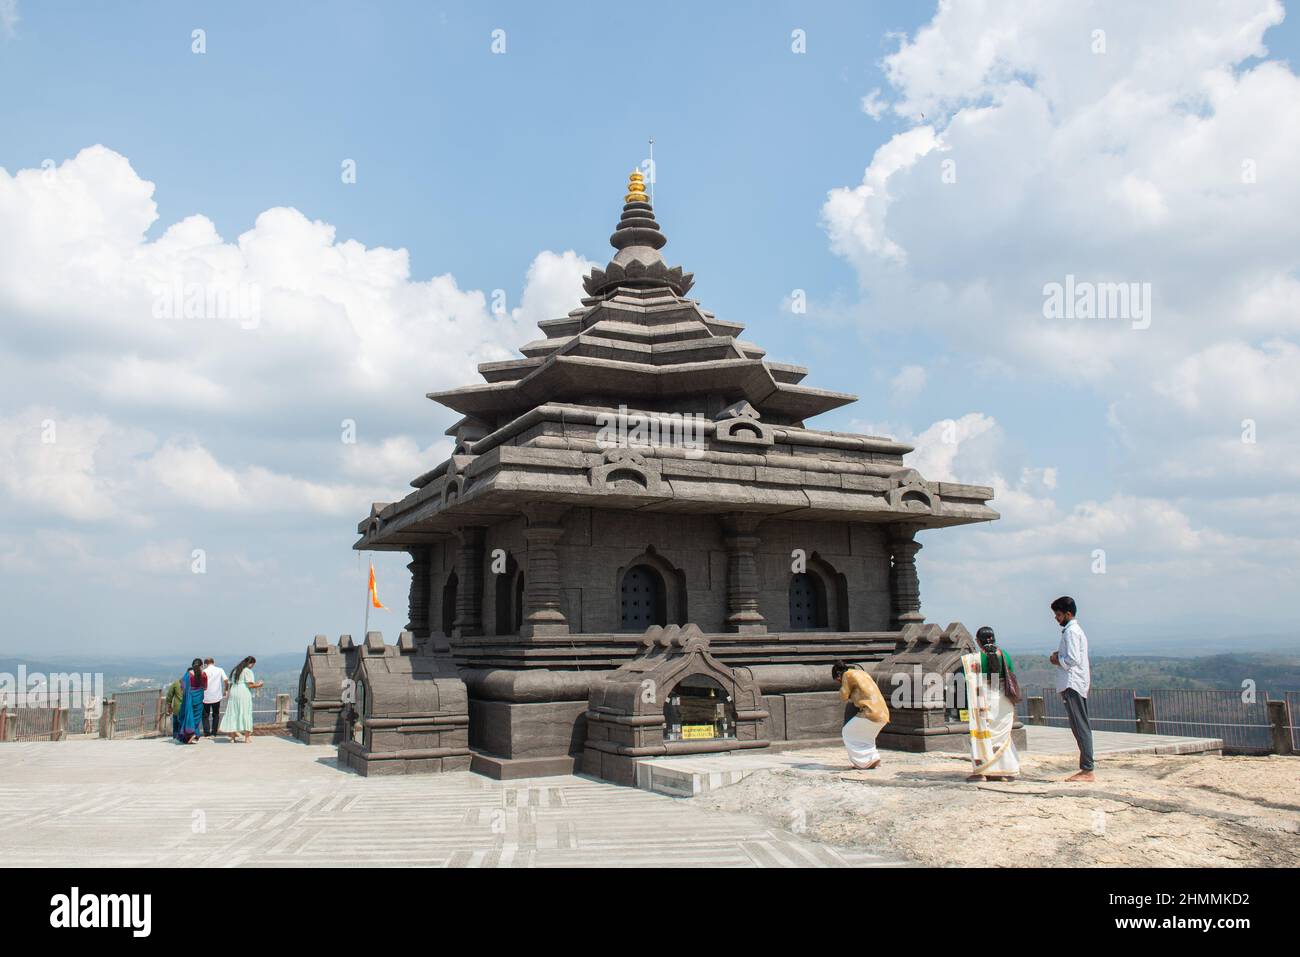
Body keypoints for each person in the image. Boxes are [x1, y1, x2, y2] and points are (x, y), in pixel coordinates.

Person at [961, 626, 1020, 782]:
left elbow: (965, 676)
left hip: (983, 700)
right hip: (1003, 701)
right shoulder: (1005, 655)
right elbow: (1011, 676)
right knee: (1001, 737)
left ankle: (982, 771)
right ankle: (1002, 770)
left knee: (982, 736)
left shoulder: (975, 658)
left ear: (978, 641)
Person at [1050, 596, 1094, 782]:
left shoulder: (1071, 632)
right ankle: (1086, 767)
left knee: (1080, 725)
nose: (1056, 618)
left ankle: (1087, 769)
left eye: (1059, 615)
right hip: (1073, 682)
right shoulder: (1071, 631)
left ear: (1068, 614)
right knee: (1078, 725)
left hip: (1073, 682)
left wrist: (1056, 659)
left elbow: (1072, 659)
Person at [832, 659, 890, 770]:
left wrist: (843, 688)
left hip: (870, 712)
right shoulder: (862, 672)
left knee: (848, 731)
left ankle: (862, 763)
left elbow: (843, 695)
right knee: (867, 736)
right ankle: (873, 758)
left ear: (838, 674)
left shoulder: (847, 675)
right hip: (883, 713)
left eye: (837, 680)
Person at [219, 657, 263, 743]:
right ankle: (247, 738)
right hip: (243, 692)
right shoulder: (247, 671)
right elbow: (250, 685)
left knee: (233, 713)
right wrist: (259, 685)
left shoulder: (235, 670)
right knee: (246, 712)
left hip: (234, 691)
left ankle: (232, 738)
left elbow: (230, 683)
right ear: (251, 663)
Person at [173, 659, 207, 744]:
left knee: (188, 715)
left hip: (190, 697)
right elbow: (205, 687)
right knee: (196, 717)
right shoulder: (203, 675)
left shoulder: (188, 675)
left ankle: (190, 734)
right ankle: (193, 733)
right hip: (199, 698)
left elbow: (182, 686)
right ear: (201, 666)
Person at [201, 657, 229, 740]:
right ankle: (214, 733)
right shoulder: (220, 670)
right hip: (216, 696)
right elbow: (226, 680)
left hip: (205, 696)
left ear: (205, 664)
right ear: (214, 662)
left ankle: (207, 733)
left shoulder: (204, 671)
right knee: (216, 715)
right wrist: (226, 690)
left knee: (205, 715)